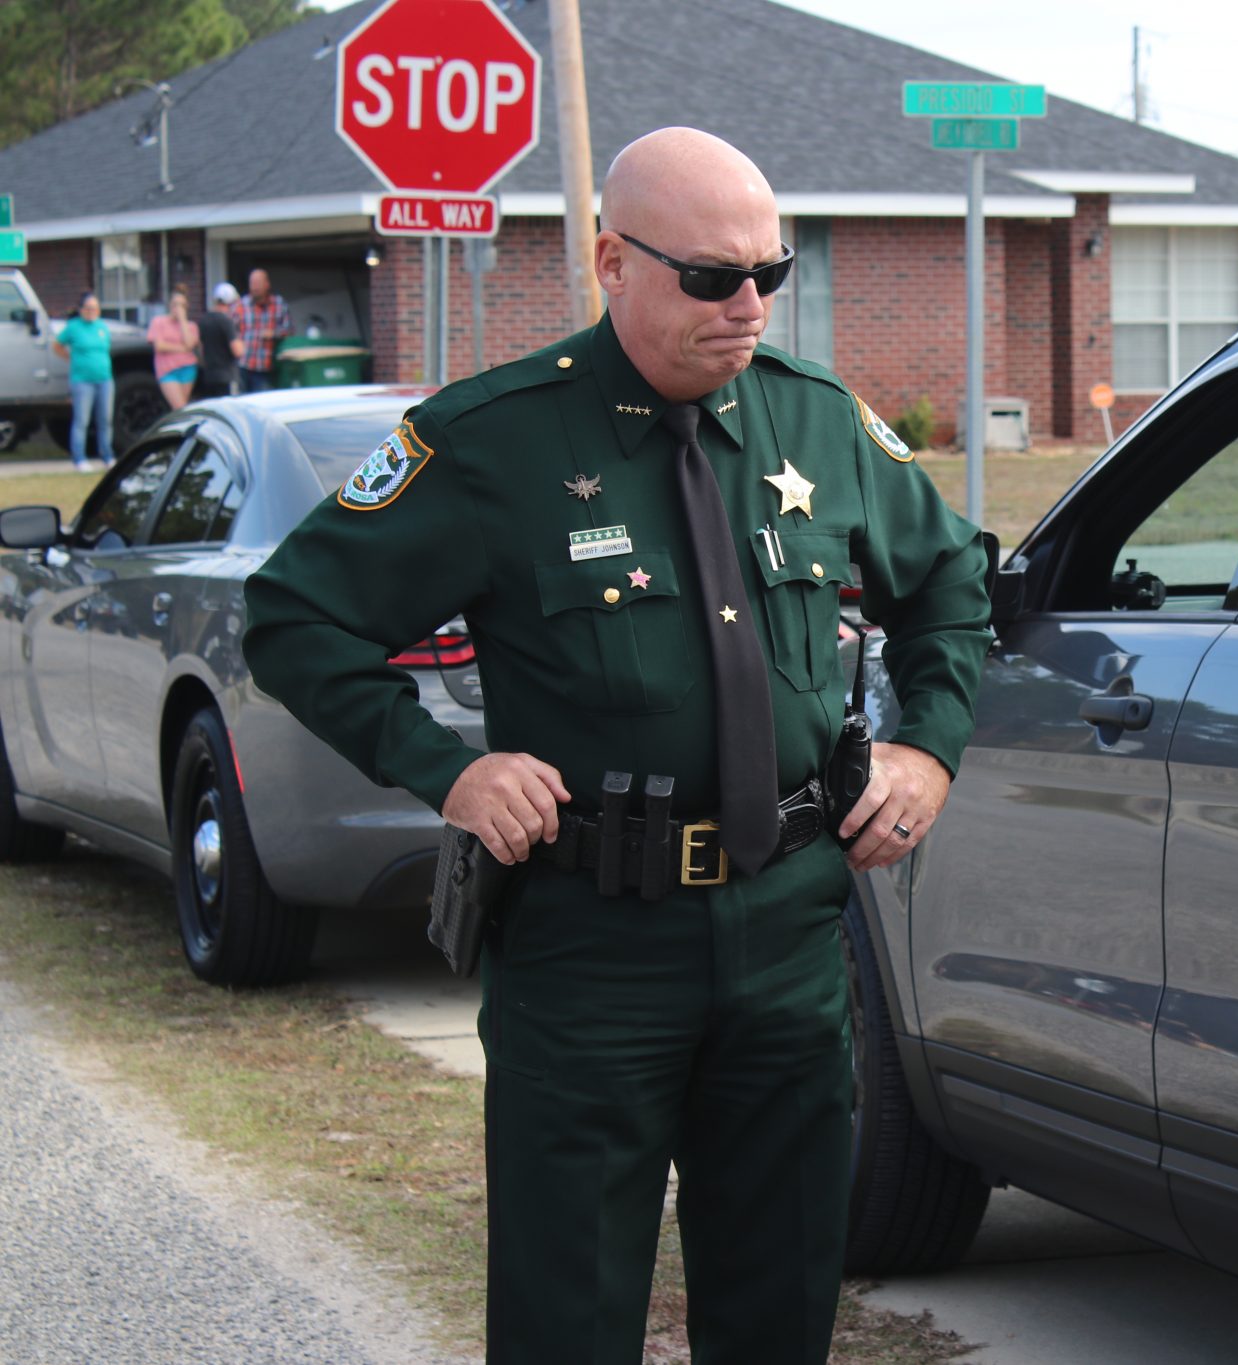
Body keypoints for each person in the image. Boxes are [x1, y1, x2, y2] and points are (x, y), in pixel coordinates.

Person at [241, 128, 992, 1364]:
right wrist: (449, 768)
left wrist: (930, 749)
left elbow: (953, 581)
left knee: (781, 1304)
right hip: (592, 945)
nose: (747, 306)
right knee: (568, 1312)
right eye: (710, 278)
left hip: (791, 938)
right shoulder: (496, 441)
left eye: (771, 273)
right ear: (611, 262)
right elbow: (294, 616)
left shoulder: (818, 423)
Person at [51, 292, 114, 469]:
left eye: (94, 308)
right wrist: (71, 359)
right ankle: (79, 458)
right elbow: (57, 345)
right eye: (88, 308)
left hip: (104, 379)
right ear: (81, 309)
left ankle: (107, 455)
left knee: (105, 419)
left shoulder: (102, 327)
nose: (91, 311)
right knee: (82, 420)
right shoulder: (73, 327)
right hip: (82, 381)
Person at [231, 268, 291, 392]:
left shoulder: (279, 304)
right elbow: (230, 331)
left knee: (261, 405)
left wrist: (274, 333)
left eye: (258, 283)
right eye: (252, 283)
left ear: (267, 284)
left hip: (265, 368)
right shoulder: (241, 305)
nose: (254, 287)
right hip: (243, 366)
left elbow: (289, 330)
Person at [147, 283, 202, 410]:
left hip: (187, 367)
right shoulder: (158, 322)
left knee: (181, 407)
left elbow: (190, 344)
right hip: (167, 370)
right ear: (170, 305)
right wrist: (181, 348)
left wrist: (182, 320)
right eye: (175, 304)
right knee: (179, 407)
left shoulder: (191, 326)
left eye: (181, 305)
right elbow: (159, 346)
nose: (177, 308)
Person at [193, 282, 245, 400]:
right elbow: (237, 351)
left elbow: (200, 350)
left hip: (209, 376)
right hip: (227, 377)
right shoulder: (226, 321)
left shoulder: (203, 320)